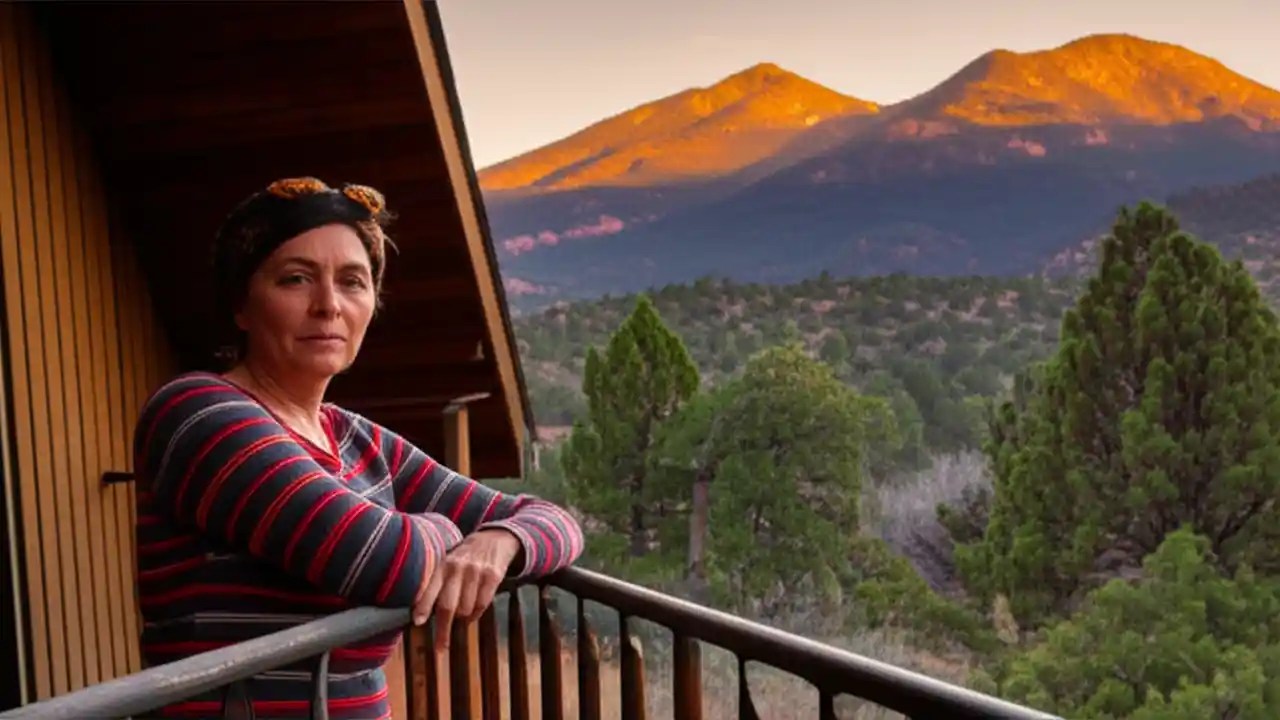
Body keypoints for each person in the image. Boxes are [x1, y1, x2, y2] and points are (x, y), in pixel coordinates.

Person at [132, 177, 584, 719]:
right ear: (241, 305)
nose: (328, 306)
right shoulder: (197, 413)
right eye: (295, 279)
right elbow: (383, 562)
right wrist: (447, 532)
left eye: (352, 281)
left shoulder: (356, 438)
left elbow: (556, 521)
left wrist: (499, 539)